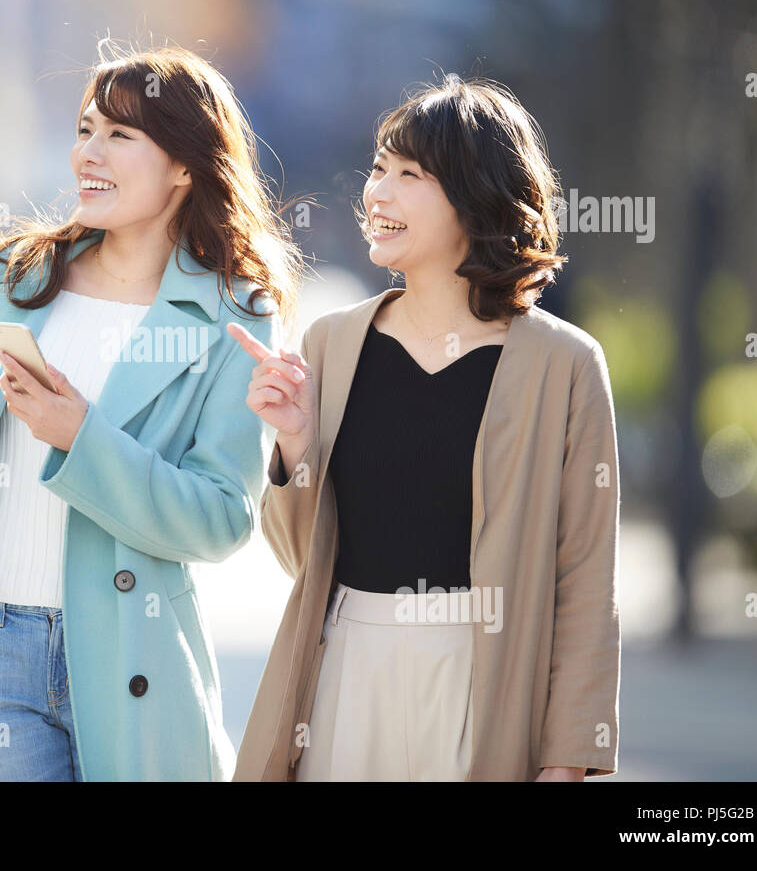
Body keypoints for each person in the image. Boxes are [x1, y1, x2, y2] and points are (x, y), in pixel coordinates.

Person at [0, 40, 305, 781]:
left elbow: (220, 518)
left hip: (134, 650)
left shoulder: (233, 314)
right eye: (84, 130)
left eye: (119, 136)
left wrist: (81, 439)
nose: (86, 155)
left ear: (185, 166)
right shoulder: (12, 277)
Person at [228, 74, 621, 781]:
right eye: (378, 168)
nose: (377, 193)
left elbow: (586, 583)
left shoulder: (564, 365)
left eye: (409, 174)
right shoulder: (331, 343)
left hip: (485, 675)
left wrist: (569, 760)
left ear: (477, 197)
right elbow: (298, 560)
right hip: (346, 671)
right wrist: (294, 444)